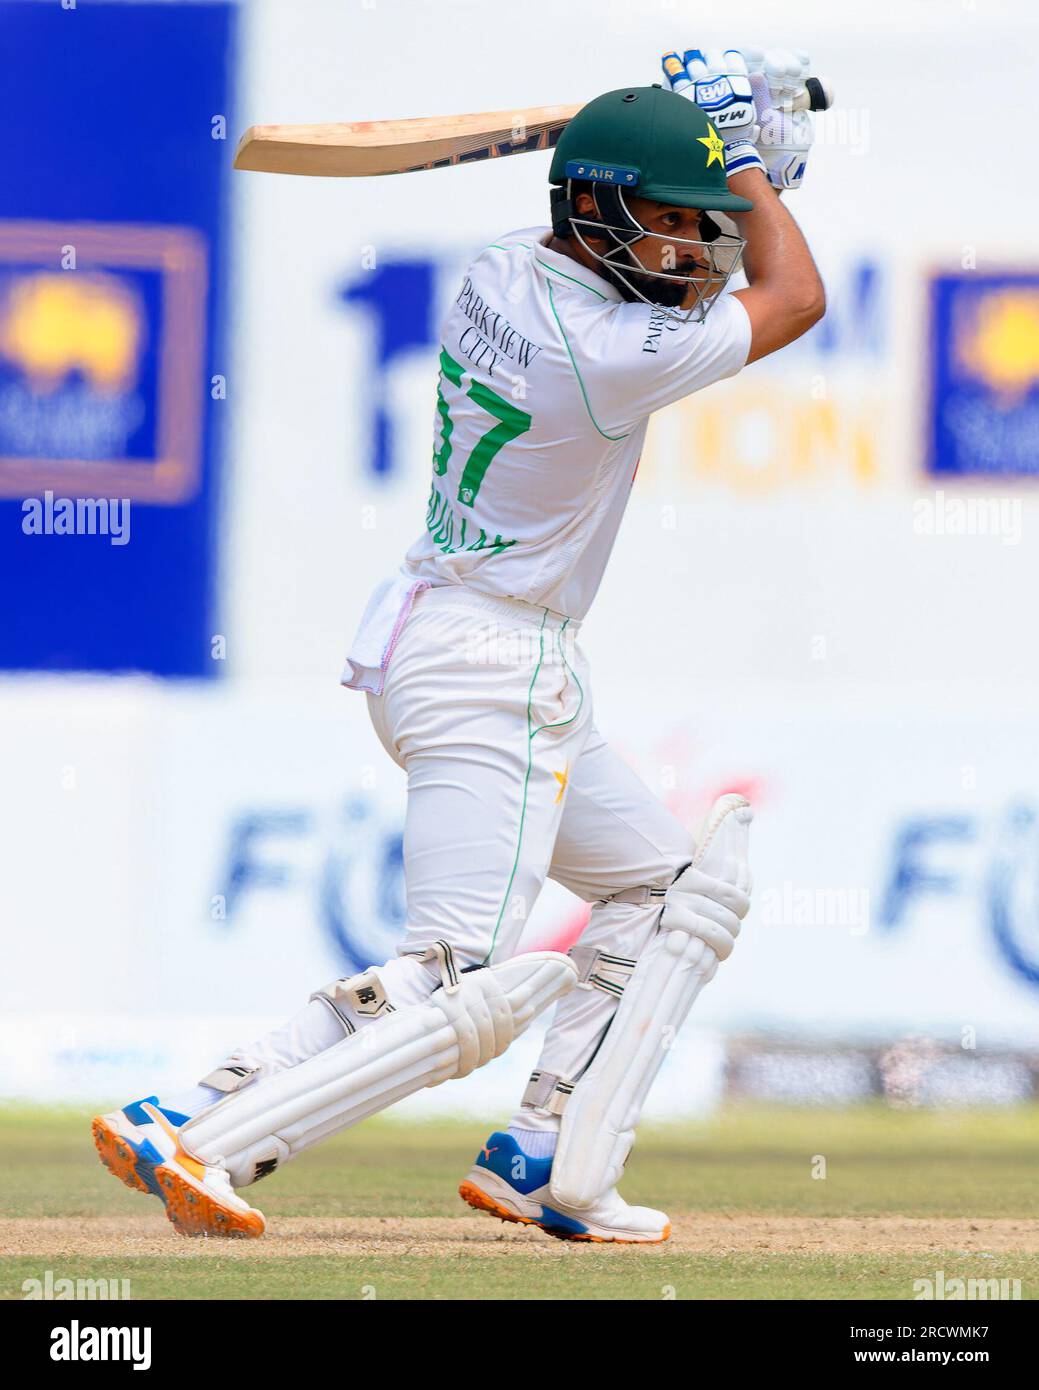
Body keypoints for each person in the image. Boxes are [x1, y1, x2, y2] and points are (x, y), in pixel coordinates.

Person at [93, 47, 824, 1244]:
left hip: (456, 635)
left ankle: (542, 1146)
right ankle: (197, 1109)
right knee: (452, 977)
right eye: (676, 229)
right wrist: (743, 159)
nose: (698, 257)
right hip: (495, 666)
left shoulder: (502, 269)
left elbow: (699, 276)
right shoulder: (605, 360)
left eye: (701, 230)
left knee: (662, 890)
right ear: (595, 215)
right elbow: (795, 300)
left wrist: (702, 164)